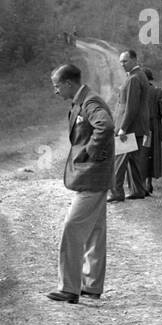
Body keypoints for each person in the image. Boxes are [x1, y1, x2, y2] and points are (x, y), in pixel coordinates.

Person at [48, 63, 115, 303]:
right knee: (96, 232)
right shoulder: (82, 100)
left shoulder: (90, 102)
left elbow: (105, 126)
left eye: (57, 86)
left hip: (92, 178)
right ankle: (91, 285)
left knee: (72, 227)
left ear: (68, 83)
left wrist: (90, 152)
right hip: (94, 177)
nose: (56, 91)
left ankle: (69, 288)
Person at [108, 49, 150, 202]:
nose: (122, 64)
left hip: (130, 128)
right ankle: (138, 190)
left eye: (125, 61)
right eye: (120, 61)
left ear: (134, 60)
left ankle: (116, 193)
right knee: (133, 160)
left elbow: (131, 107)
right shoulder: (141, 75)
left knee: (119, 161)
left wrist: (123, 128)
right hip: (138, 127)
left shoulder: (133, 78)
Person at [143, 67, 162, 195]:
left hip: (141, 127)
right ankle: (148, 183)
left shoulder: (138, 91)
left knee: (141, 153)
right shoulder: (157, 92)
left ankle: (140, 183)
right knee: (151, 154)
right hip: (154, 127)